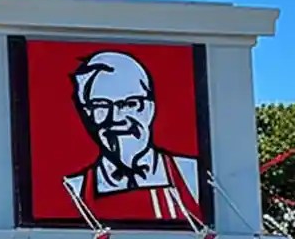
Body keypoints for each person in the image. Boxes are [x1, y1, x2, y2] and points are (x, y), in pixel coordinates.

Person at [63, 50, 201, 222]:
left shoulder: (193, 175)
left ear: (150, 108)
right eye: (101, 105)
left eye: (130, 104)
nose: (116, 117)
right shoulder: (74, 189)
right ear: (87, 114)